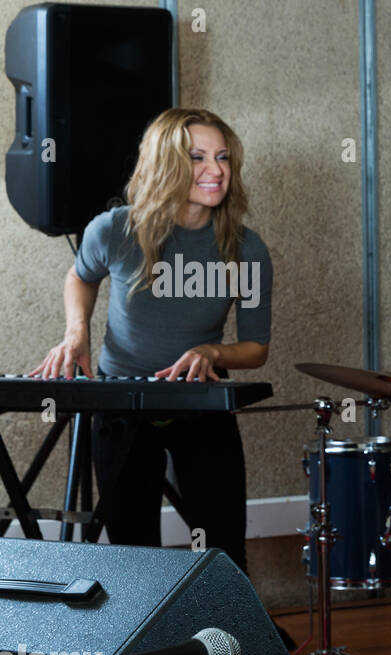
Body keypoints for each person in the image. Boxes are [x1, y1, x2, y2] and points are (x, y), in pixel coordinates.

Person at [31, 108, 272, 576]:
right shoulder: (114, 229)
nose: (216, 170)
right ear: (167, 164)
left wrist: (213, 353)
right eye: (198, 157)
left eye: (222, 157)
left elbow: (256, 348)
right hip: (121, 405)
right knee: (132, 554)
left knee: (223, 553)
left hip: (202, 405)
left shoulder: (247, 248)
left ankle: (226, 645)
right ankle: (149, 649)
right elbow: (80, 277)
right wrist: (76, 332)